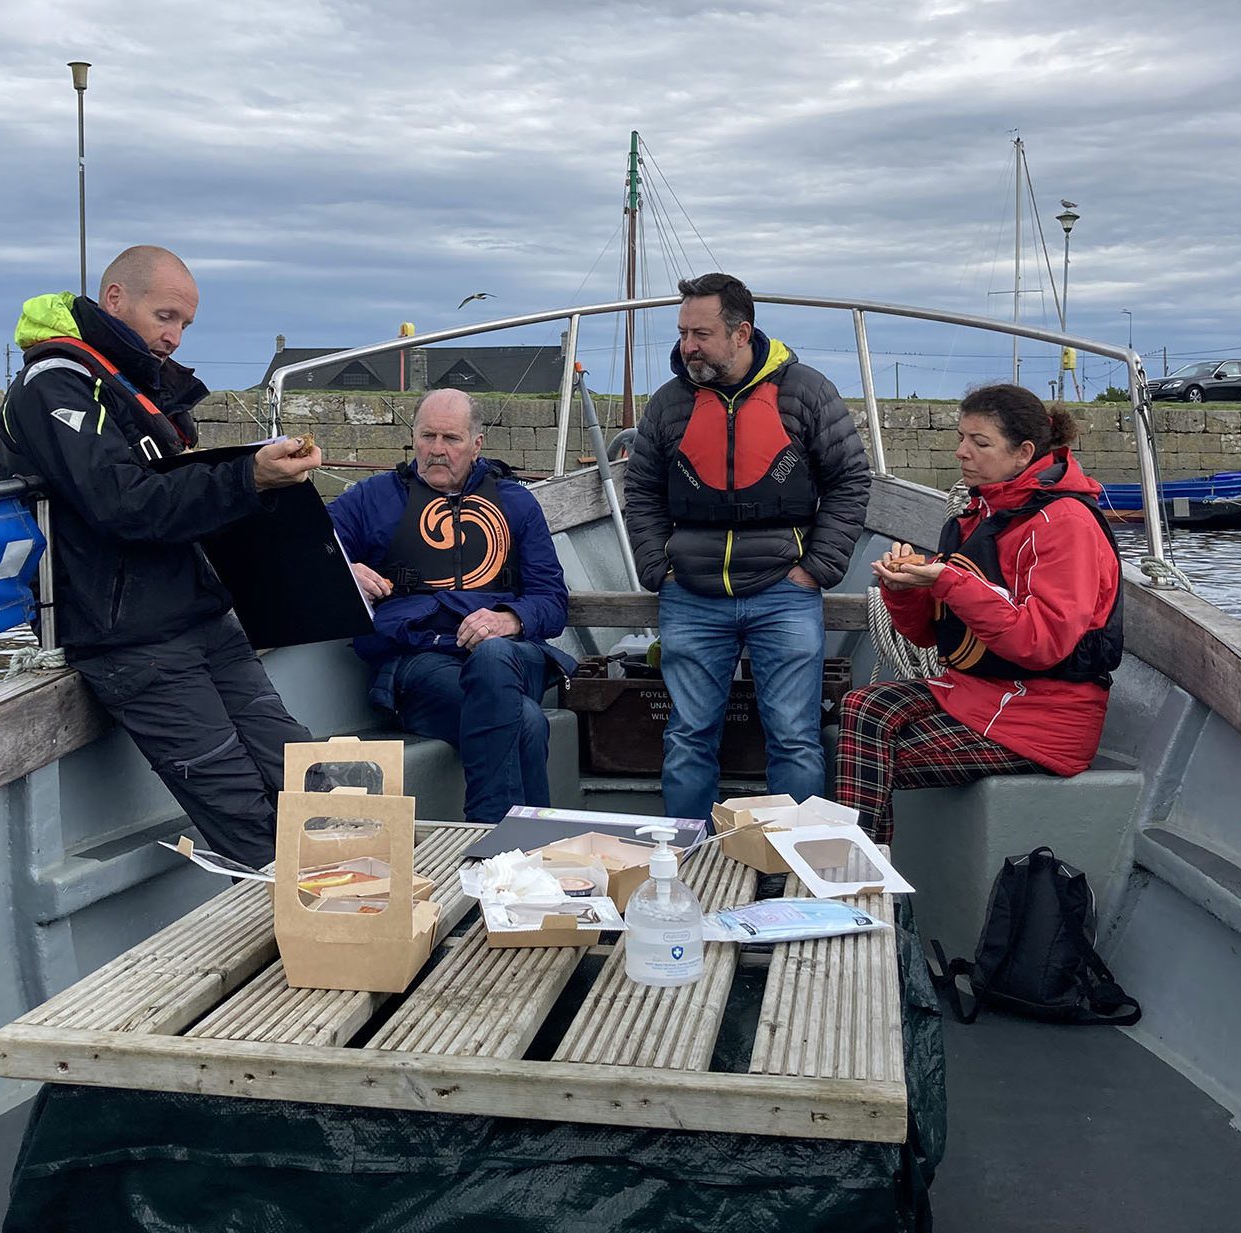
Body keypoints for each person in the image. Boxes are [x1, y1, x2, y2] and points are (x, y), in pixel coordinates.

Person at [0, 245, 324, 867]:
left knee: (306, 775)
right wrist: (247, 477)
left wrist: (255, 479)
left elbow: (172, 488)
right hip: (131, 641)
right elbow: (123, 503)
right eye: (165, 316)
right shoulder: (54, 384)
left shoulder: (129, 382)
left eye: (184, 325)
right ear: (115, 299)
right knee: (243, 814)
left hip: (202, 617)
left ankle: (357, 926)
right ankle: (311, 953)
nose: (173, 337)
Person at [623, 272, 871, 819]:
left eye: (701, 333)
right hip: (690, 593)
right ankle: (687, 864)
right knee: (687, 738)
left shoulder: (805, 392)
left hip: (785, 592)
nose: (687, 345)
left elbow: (850, 479)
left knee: (795, 738)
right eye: (684, 331)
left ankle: (794, 869)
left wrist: (817, 568)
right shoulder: (669, 404)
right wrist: (656, 566)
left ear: (741, 333)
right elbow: (639, 489)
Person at [838, 383, 1122, 843]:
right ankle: (862, 871)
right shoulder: (980, 516)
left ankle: (857, 878)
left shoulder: (1066, 524)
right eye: (961, 438)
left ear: (1023, 453)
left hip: (1046, 720)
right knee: (862, 707)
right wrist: (903, 588)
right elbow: (930, 638)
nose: (961, 453)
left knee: (866, 759)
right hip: (979, 693)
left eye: (979, 442)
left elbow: (1040, 643)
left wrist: (948, 580)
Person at [328, 388, 576, 823]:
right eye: (427, 437)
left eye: (451, 439)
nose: (437, 450)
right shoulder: (372, 499)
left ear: (476, 445)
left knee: (496, 655)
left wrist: (511, 618)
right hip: (419, 663)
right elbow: (309, 549)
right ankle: (523, 847)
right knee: (528, 722)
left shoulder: (516, 503)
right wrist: (345, 572)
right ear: (414, 439)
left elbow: (552, 601)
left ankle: (487, 837)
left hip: (513, 656)